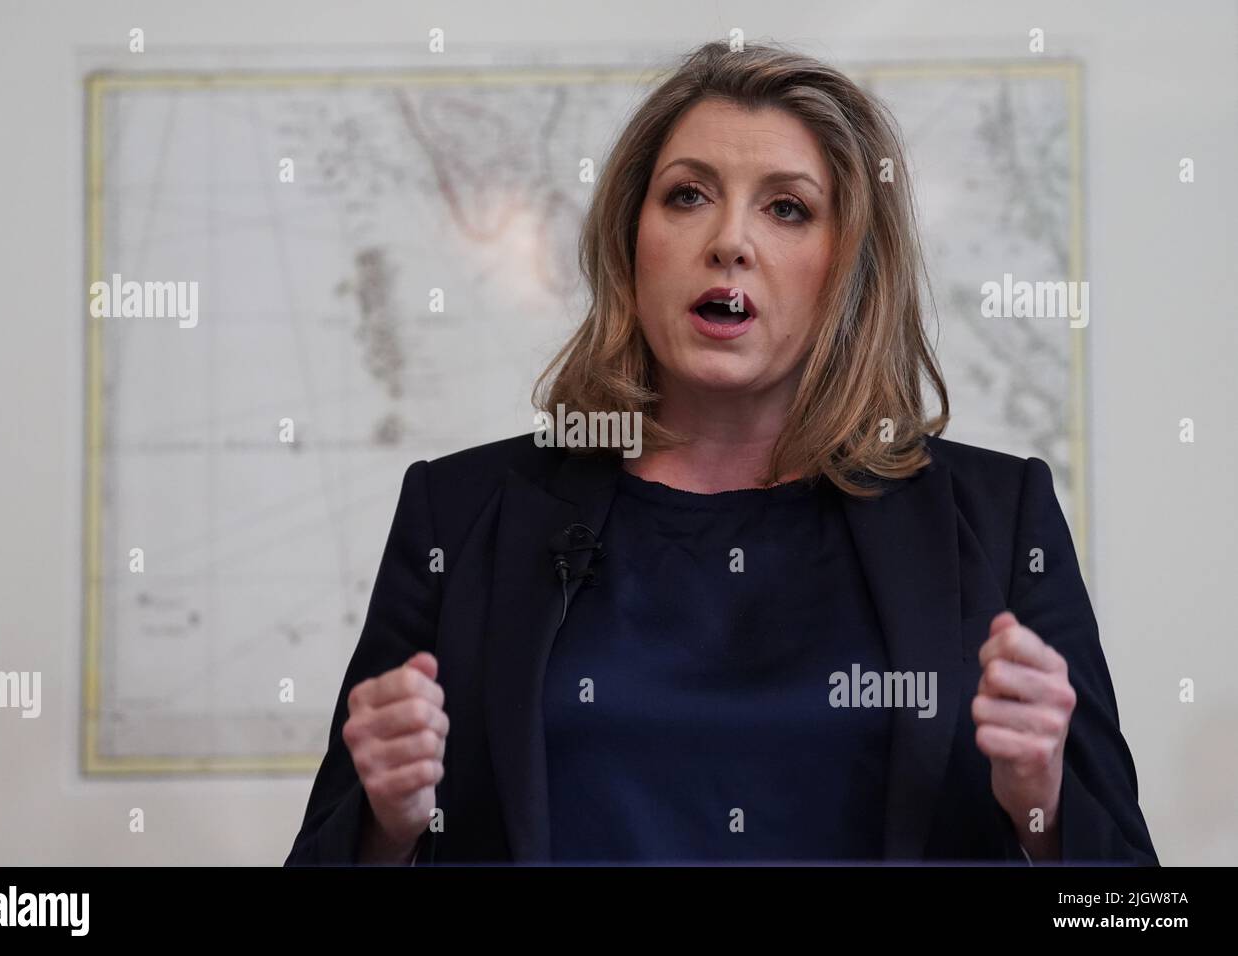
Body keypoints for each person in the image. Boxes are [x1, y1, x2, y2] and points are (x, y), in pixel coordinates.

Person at [285, 41, 1157, 865]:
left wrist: (1042, 806)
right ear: (632, 244)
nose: (729, 240)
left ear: (848, 265)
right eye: (689, 194)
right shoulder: (464, 510)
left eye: (787, 208)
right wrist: (386, 830)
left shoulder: (997, 521)